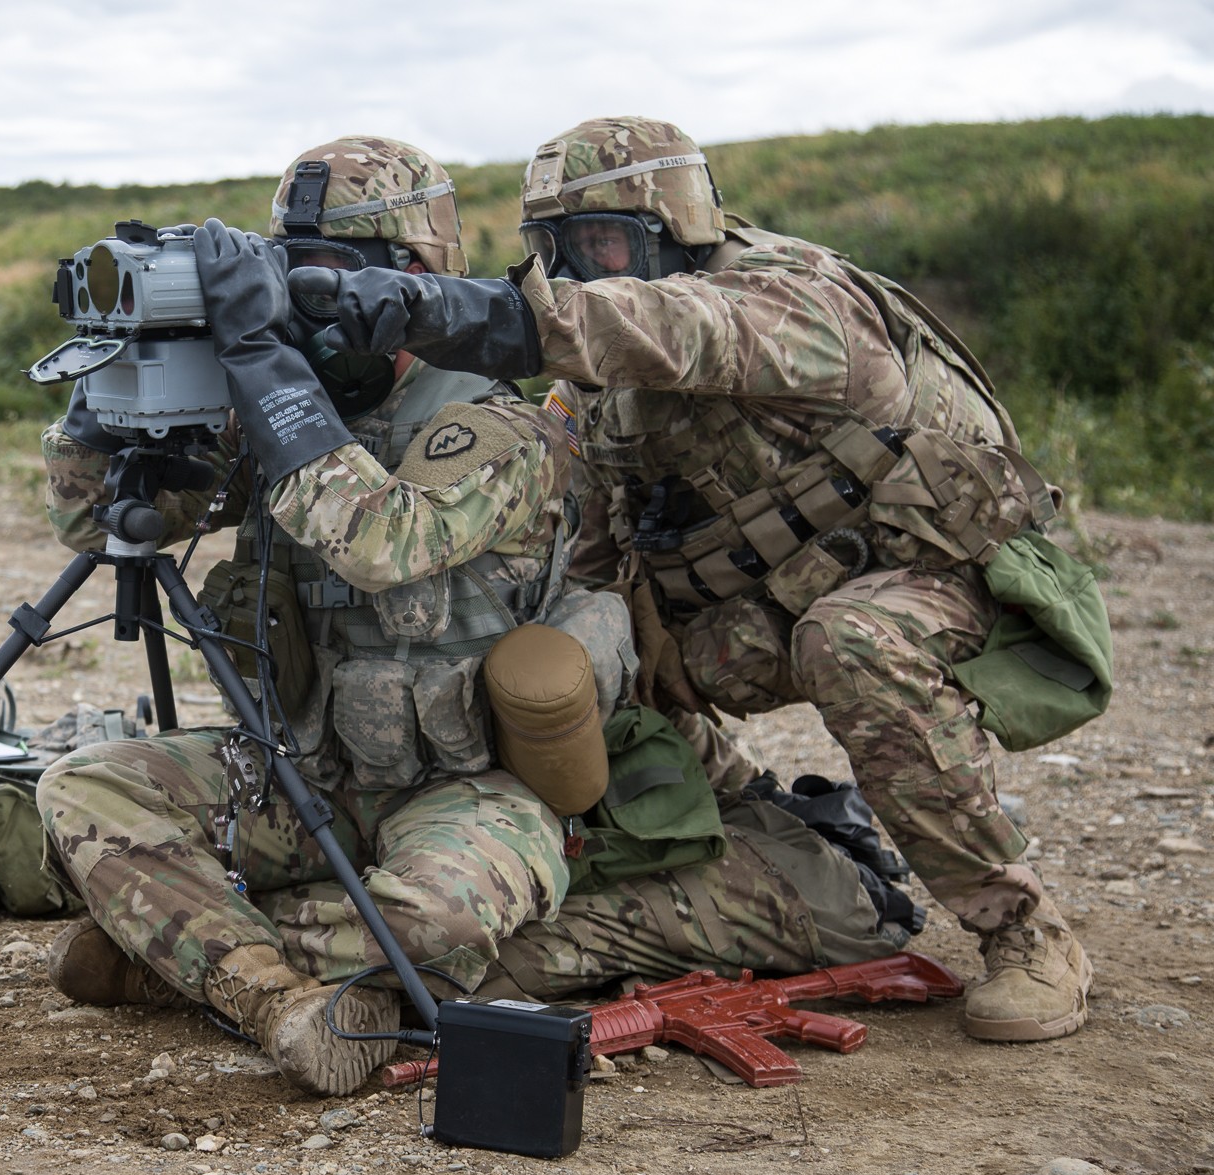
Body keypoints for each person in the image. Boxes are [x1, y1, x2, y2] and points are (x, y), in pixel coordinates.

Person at [288, 116, 1102, 1043]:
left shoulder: (791, 300)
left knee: (852, 639)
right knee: (582, 633)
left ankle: (1026, 931)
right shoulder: (595, 369)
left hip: (926, 580)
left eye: (601, 244)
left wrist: (458, 313)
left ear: (676, 227)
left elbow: (687, 330)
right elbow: (578, 531)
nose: (587, 272)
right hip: (760, 607)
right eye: (556, 251)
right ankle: (732, 819)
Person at [34, 137, 591, 1096]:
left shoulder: (505, 417)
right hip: (304, 775)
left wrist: (262, 363)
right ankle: (279, 1001)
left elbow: (384, 541)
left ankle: (170, 948)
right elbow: (102, 524)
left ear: (413, 279)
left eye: (329, 274)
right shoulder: (279, 392)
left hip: (461, 785)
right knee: (83, 790)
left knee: (436, 922)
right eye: (282, 273)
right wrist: (122, 377)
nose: (299, 298)